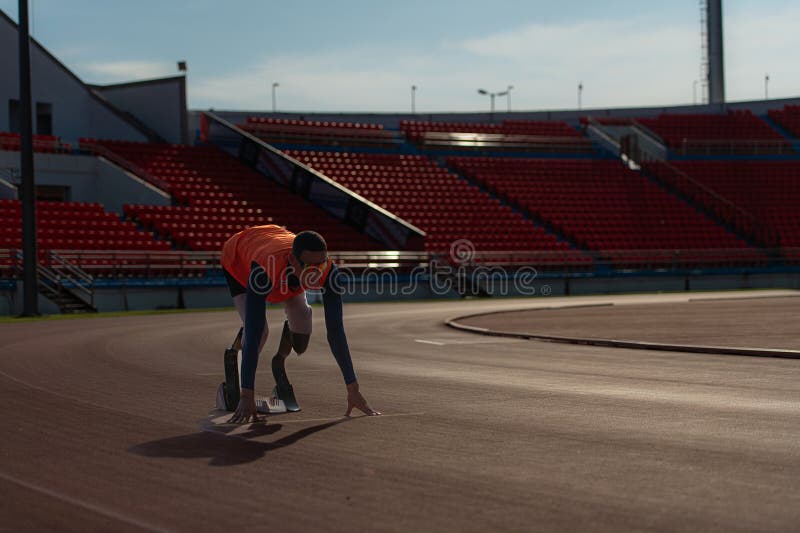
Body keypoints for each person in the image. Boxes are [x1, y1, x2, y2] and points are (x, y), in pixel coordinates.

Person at [220, 224, 380, 423]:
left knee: (302, 323)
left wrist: (353, 389)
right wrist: (246, 396)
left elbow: (336, 332)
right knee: (260, 332)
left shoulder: (328, 271)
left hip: (280, 258)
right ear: (293, 259)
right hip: (239, 260)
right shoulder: (264, 268)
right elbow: (253, 330)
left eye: (319, 266)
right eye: (309, 267)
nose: (315, 274)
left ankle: (278, 363)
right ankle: (234, 356)